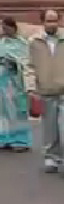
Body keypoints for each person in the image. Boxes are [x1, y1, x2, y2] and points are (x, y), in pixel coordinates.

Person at [26, 9, 64, 174]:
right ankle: (51, 157)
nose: (52, 24)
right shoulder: (34, 41)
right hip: (46, 89)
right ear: (43, 22)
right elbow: (29, 66)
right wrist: (30, 87)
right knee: (50, 127)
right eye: (49, 21)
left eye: (55, 20)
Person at [0, 17, 32, 152]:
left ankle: (20, 140)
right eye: (3, 28)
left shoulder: (22, 43)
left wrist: (14, 62)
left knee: (17, 110)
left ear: (13, 28)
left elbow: (26, 62)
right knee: (2, 111)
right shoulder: (1, 42)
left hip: (16, 81)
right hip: (2, 79)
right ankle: (4, 139)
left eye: (7, 28)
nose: (5, 31)